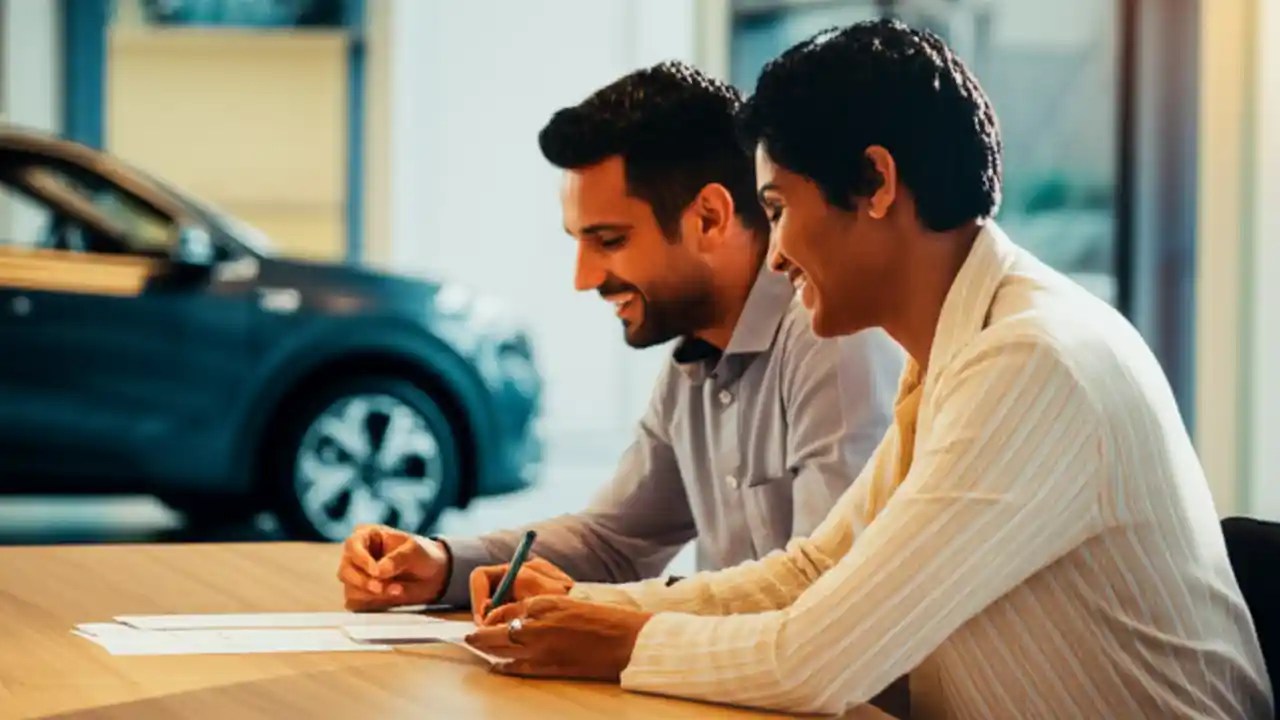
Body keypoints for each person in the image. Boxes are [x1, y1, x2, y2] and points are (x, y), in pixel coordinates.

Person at [466, 21, 1273, 719]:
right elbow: (819, 568)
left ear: (876, 184)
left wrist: (623, 637)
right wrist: (586, 606)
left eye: (778, 210)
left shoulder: (1034, 361)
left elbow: (819, 659)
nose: (773, 255)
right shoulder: (965, 344)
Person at [336, 61, 903, 615]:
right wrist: (439, 564)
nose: (583, 279)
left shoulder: (831, 338)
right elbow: (614, 543)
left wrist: (599, 609)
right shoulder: (695, 358)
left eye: (608, 240)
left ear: (709, 218)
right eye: (578, 242)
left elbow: (822, 594)